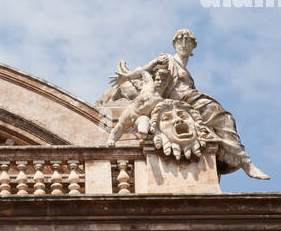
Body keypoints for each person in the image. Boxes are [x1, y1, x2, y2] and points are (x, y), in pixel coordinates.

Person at [101, 29, 268, 179]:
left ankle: (244, 160)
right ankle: (245, 162)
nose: (183, 44)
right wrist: (128, 76)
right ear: (174, 43)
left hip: (191, 99)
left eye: (188, 41)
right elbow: (145, 70)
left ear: (193, 47)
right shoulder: (166, 59)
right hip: (180, 100)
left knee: (225, 119)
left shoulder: (186, 70)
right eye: (180, 40)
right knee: (222, 117)